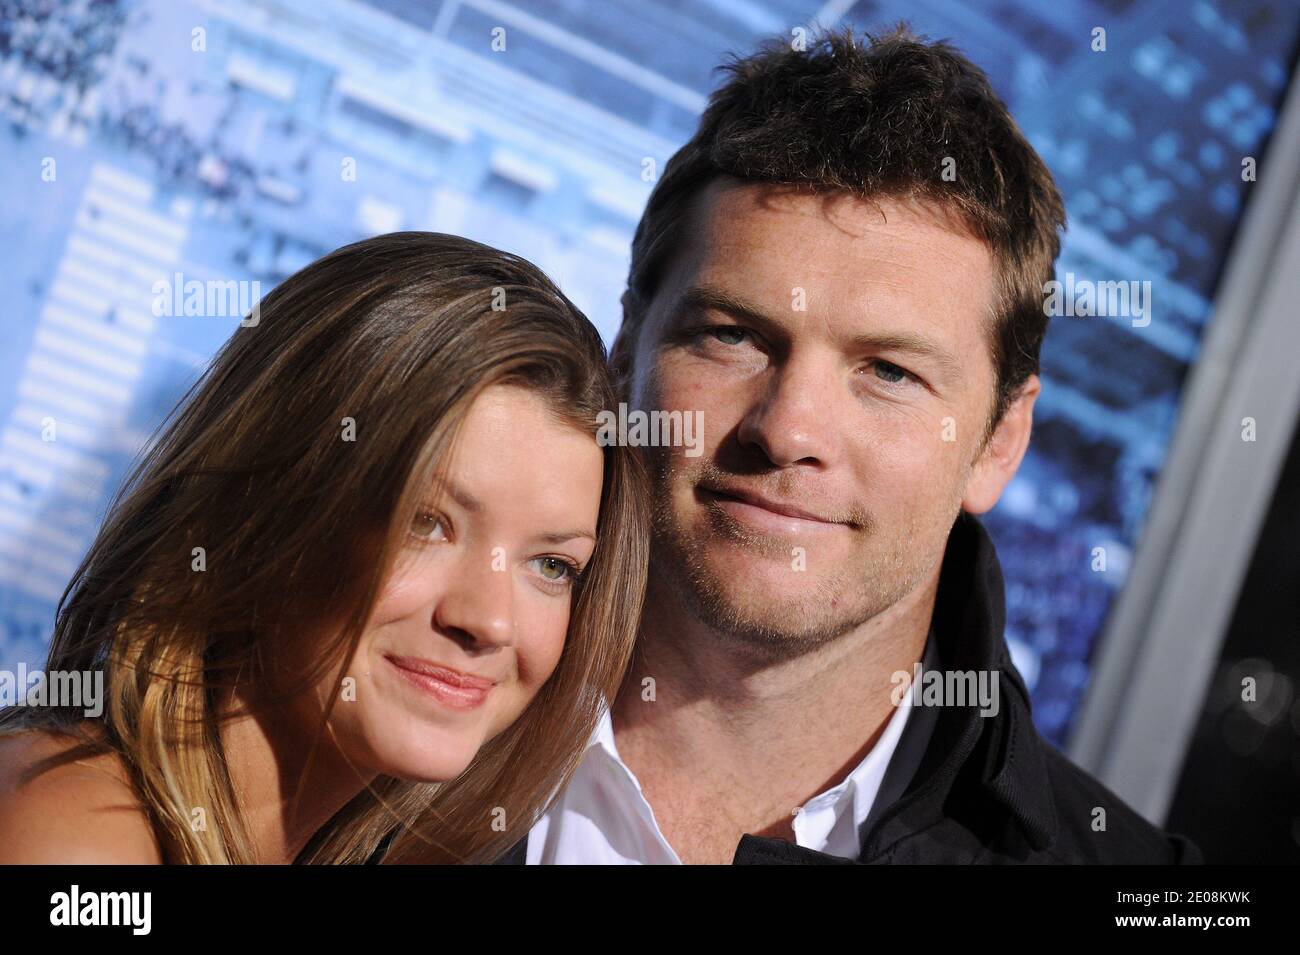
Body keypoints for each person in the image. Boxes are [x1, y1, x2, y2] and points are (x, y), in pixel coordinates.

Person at [496, 25, 1202, 864]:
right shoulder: (361, 728)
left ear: (999, 443)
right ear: (625, 355)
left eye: (890, 373)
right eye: (733, 336)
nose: (788, 429)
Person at [0, 231, 649, 864]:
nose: (489, 620)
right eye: (425, 523)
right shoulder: (76, 833)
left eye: (552, 565)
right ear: (266, 507)